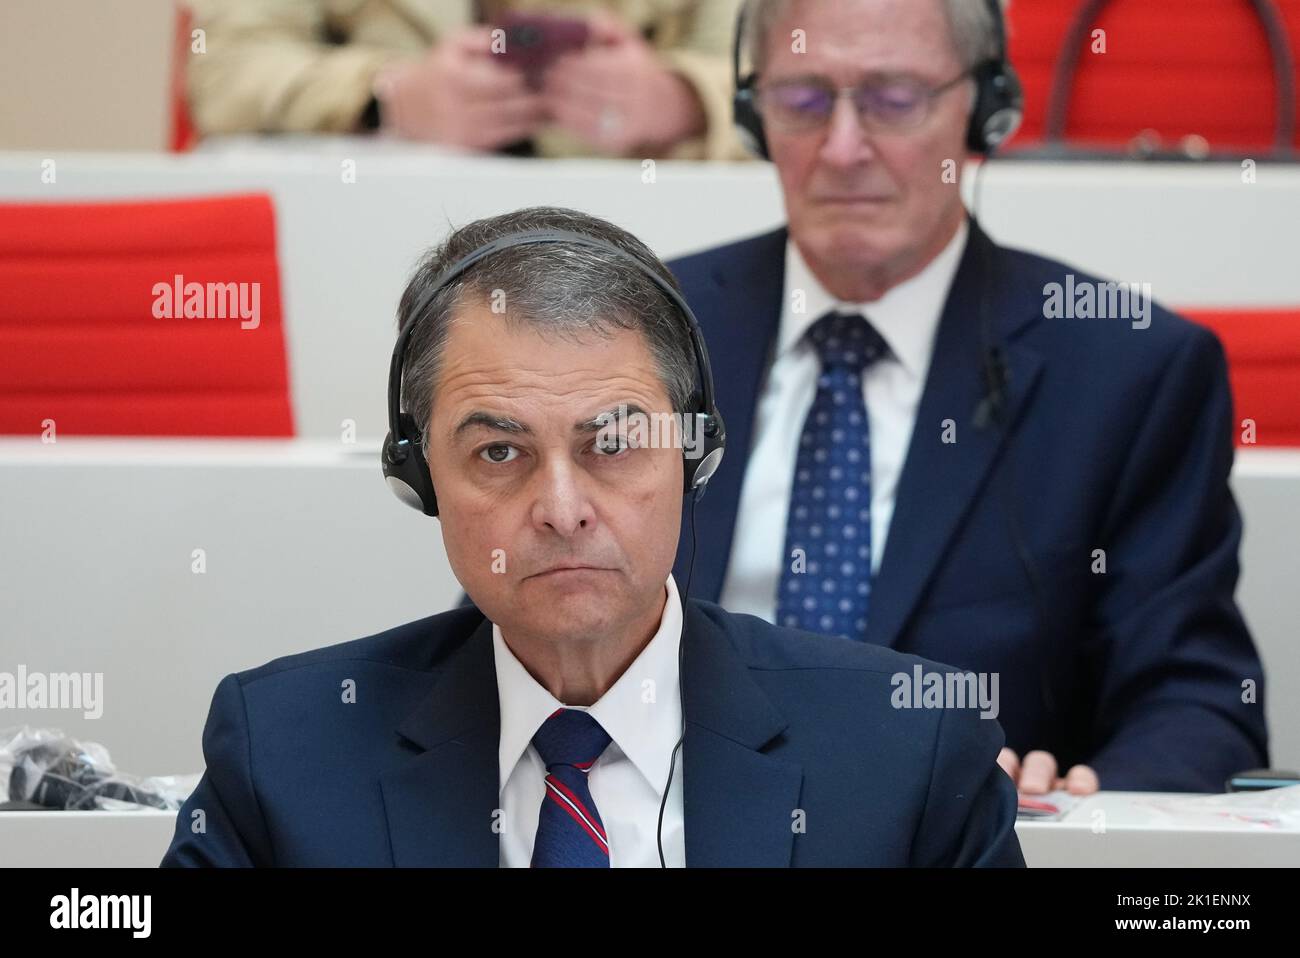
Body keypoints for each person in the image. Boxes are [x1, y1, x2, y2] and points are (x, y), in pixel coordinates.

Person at [161, 206, 1023, 867]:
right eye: (500, 451)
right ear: (417, 477)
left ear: (696, 456)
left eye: (613, 444)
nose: (562, 508)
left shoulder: (911, 754)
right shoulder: (283, 751)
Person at [667, 0, 1268, 795]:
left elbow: (1195, 708)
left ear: (985, 114)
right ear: (751, 117)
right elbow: (510, 630)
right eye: (805, 100)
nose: (843, 149)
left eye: (893, 100)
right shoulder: (641, 329)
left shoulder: (1126, 371)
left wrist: (1076, 810)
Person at [184, 0, 748, 159]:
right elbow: (223, 69)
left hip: (647, 246)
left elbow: (794, 67)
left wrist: (680, 101)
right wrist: (389, 97)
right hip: (377, 230)